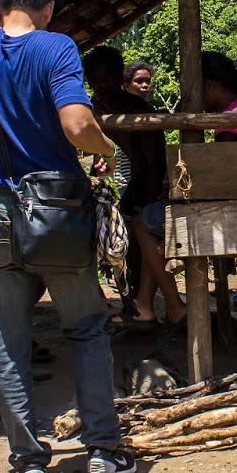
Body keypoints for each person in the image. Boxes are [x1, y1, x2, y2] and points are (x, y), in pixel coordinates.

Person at [0, 0, 136, 473]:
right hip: (54, 211)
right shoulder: (56, 48)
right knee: (85, 326)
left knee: (9, 340)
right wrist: (104, 145)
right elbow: (77, 122)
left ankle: (29, 464)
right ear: (50, 8)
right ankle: (103, 452)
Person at [128, 53, 237, 323]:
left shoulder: (229, 122)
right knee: (151, 222)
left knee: (141, 223)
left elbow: (217, 179)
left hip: (236, 214)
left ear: (207, 87)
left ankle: (172, 306)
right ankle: (145, 305)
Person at [83, 46, 169, 323]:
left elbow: (154, 162)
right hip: (136, 180)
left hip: (153, 180)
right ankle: (138, 304)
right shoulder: (93, 109)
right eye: (94, 78)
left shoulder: (137, 109)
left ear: (119, 77)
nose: (101, 84)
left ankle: (143, 307)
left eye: (106, 77)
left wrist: (150, 194)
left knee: (140, 237)